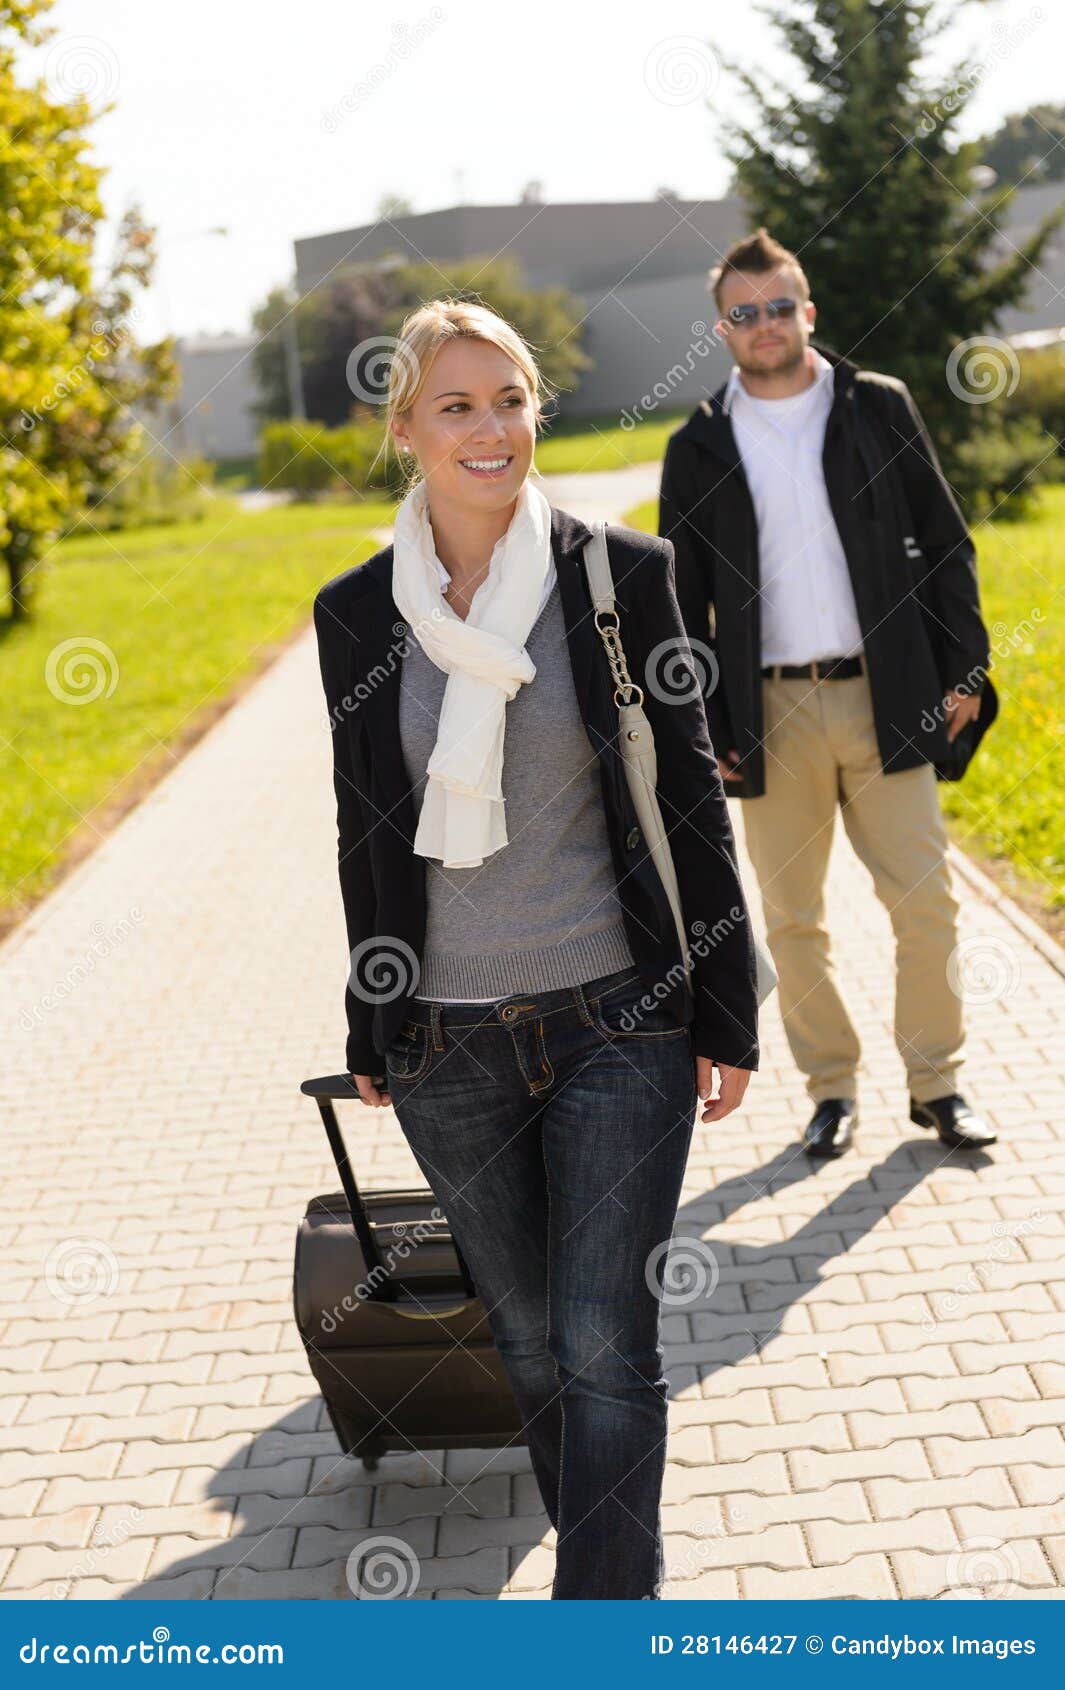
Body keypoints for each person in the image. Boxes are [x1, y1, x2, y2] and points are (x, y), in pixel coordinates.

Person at [312, 298, 760, 1600]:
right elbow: (363, 830)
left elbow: (688, 801)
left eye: (508, 398)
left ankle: (599, 1623)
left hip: (619, 1016)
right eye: (455, 405)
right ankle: (601, 1557)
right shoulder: (356, 614)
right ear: (404, 429)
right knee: (526, 1339)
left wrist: (724, 1012)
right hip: (446, 1039)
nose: (490, 427)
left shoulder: (623, 576)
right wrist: (371, 1019)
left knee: (601, 1338)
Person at [659, 228, 996, 1160]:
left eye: (779, 307)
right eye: (743, 312)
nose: (763, 325)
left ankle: (938, 1086)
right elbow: (679, 601)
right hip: (765, 713)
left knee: (925, 902)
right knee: (791, 919)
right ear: (721, 327)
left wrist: (962, 667)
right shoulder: (697, 443)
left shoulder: (878, 408)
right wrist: (700, 723)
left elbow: (947, 542)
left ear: (807, 312)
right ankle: (830, 1090)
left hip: (886, 693)